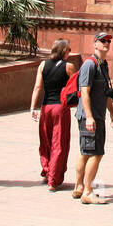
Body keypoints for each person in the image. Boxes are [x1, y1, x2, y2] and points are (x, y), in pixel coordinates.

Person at [73, 32, 113, 204]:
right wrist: (89, 117)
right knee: (96, 153)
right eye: (103, 41)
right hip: (90, 116)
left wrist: (112, 112)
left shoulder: (103, 64)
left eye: (108, 41)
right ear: (95, 44)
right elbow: (84, 91)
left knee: (85, 152)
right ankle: (88, 191)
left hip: (98, 114)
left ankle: (79, 187)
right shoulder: (90, 65)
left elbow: (106, 91)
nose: (106, 43)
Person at [31, 38, 77, 190]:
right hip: (60, 107)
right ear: (64, 51)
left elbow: (38, 87)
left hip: (46, 107)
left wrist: (32, 107)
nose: (70, 52)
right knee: (59, 143)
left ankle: (46, 171)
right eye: (69, 50)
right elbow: (77, 87)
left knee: (45, 141)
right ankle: (54, 180)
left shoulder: (43, 65)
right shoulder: (69, 67)